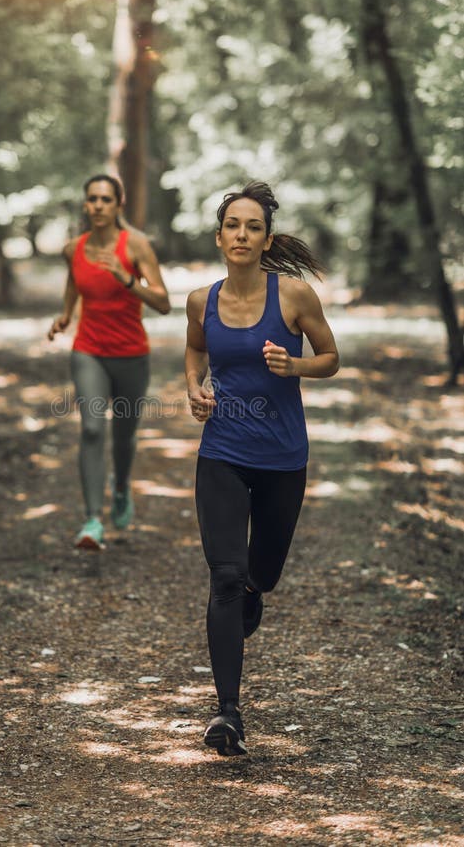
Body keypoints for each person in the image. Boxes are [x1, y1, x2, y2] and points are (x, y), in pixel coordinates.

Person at [185, 181, 339, 756]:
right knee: (223, 577)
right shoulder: (200, 299)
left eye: (252, 226)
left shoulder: (294, 296)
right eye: (232, 225)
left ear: (265, 237)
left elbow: (331, 359)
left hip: (282, 458)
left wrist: (292, 365)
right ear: (220, 236)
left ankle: (255, 587)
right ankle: (229, 713)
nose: (242, 234)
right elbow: (195, 351)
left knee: (260, 574)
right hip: (222, 451)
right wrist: (194, 389)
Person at [48, 174, 170, 549]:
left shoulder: (135, 246)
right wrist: (67, 314)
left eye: (105, 199)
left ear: (118, 205)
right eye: (92, 199)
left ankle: (120, 488)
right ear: (86, 205)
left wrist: (126, 279)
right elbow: (75, 281)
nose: (98, 205)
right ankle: (92, 521)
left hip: (132, 353)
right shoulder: (73, 248)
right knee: (91, 429)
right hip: (89, 351)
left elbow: (163, 303)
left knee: (123, 434)